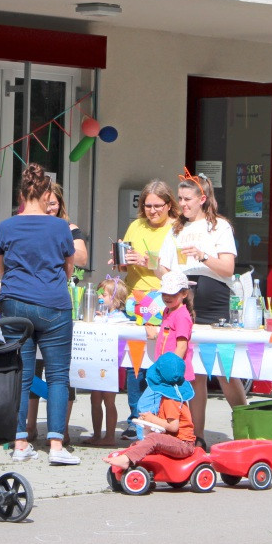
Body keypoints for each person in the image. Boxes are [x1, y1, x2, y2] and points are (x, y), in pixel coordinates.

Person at [0, 163, 79, 465]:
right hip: (53, 304)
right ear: (46, 195)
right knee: (57, 376)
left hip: (14, 303)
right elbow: (69, 266)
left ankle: (19, 443)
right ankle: (56, 445)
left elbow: (2, 265)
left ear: (21, 195)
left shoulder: (7, 226)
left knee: (20, 374)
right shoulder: (59, 227)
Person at [157, 170, 244, 446]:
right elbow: (163, 267)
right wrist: (166, 276)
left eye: (187, 199)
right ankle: (198, 436)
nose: (182, 204)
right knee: (195, 373)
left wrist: (203, 256)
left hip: (216, 301)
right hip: (188, 302)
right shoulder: (176, 229)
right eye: (180, 199)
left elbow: (228, 268)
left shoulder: (219, 227)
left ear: (202, 199)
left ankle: (245, 426)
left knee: (225, 370)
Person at [24, 181, 88, 440]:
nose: (50, 208)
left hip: (59, 301)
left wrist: (56, 246)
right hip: (32, 298)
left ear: (61, 204)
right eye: (46, 203)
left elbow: (81, 257)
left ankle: (61, 428)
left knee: (60, 370)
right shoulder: (30, 225)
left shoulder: (69, 228)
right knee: (32, 369)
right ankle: (29, 426)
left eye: (54, 203)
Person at [116, 179, 179, 439]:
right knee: (135, 362)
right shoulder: (136, 225)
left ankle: (160, 417)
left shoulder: (176, 228)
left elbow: (175, 269)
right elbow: (127, 263)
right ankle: (136, 418)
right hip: (135, 298)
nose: (152, 211)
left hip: (163, 299)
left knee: (159, 361)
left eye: (157, 206)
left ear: (169, 204)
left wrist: (146, 260)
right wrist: (120, 260)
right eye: (147, 205)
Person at [103, 352, 197, 471]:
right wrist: (150, 420)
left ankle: (126, 460)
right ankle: (130, 460)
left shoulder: (171, 400)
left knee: (153, 439)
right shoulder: (168, 397)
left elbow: (173, 427)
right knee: (139, 444)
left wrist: (152, 419)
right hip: (174, 440)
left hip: (183, 444)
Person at [83, 277, 129, 447]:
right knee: (94, 399)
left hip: (112, 364)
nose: (100, 296)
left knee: (109, 401)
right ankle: (96, 434)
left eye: (104, 294)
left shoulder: (120, 318)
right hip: (98, 361)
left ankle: (109, 436)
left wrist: (103, 320)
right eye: (100, 293)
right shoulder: (102, 315)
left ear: (115, 298)